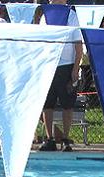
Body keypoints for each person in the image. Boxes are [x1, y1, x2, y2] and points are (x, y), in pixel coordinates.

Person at [36, 0, 82, 152]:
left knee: (67, 105)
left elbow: (78, 44)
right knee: (47, 104)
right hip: (48, 66)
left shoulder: (71, 15)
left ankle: (65, 140)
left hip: (66, 66)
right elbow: (41, 43)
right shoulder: (45, 16)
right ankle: (49, 139)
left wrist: (75, 68)